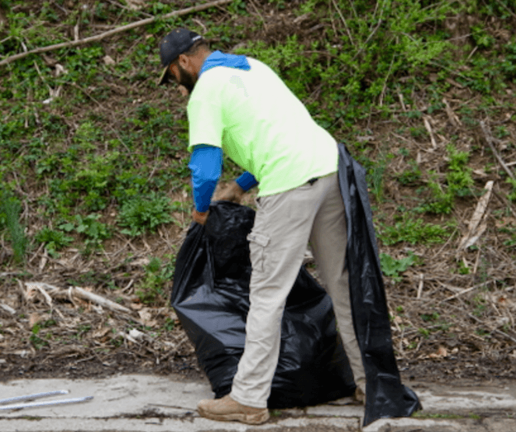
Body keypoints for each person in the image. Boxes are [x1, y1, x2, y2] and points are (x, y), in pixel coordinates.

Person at [157, 28, 366, 425]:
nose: (175, 85)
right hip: (329, 170)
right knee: (342, 285)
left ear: (183, 62)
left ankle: (250, 398)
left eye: (171, 76)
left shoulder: (204, 92)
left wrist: (202, 209)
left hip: (290, 185)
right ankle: (368, 383)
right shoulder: (253, 66)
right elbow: (281, 131)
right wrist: (239, 187)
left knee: (267, 292)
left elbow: (204, 164)